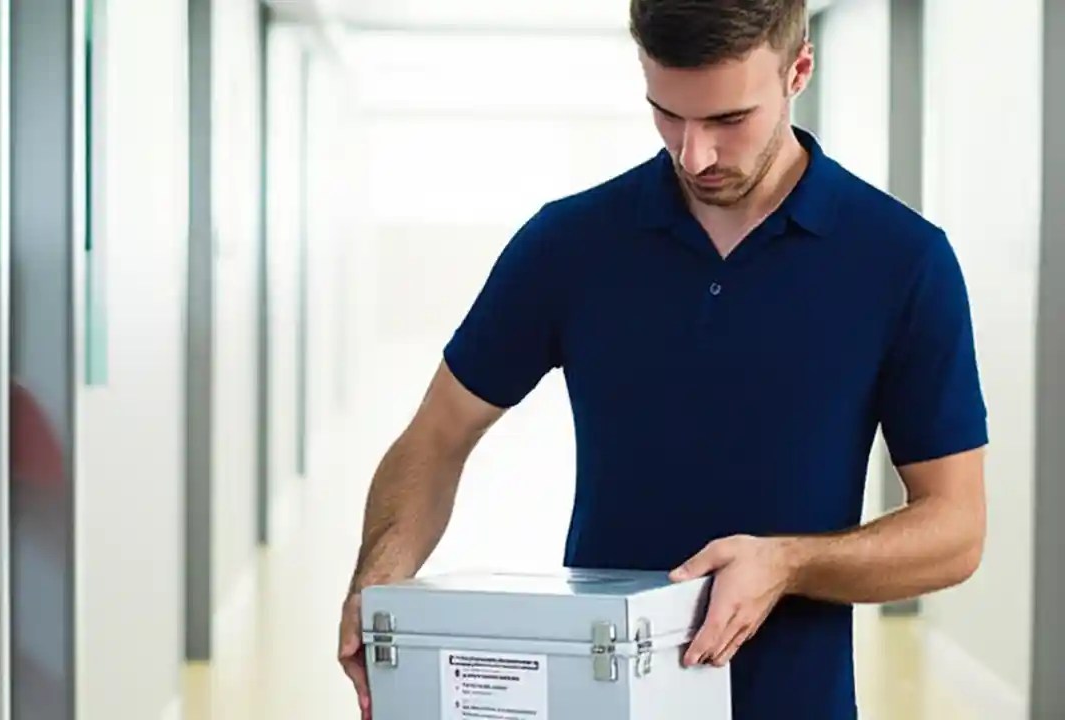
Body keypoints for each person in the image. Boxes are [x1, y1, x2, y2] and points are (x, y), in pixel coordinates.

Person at [337, 0, 988, 718]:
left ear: (798, 69)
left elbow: (955, 529)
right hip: (597, 702)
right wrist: (377, 587)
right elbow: (437, 436)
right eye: (667, 114)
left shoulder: (901, 262)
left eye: (727, 120)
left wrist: (789, 564)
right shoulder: (569, 244)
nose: (694, 154)